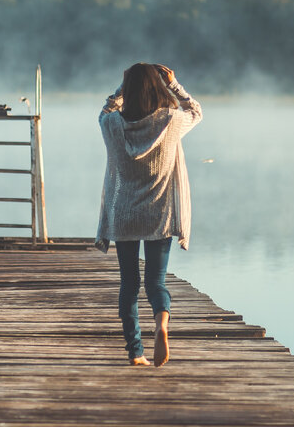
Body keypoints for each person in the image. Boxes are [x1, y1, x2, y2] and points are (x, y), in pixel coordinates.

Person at [95, 62, 203, 367]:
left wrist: (121, 89)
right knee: (156, 282)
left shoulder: (113, 125)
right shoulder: (170, 121)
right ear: (158, 89)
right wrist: (174, 84)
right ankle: (161, 326)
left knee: (128, 284)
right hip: (160, 214)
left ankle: (136, 351)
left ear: (128, 91)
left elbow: (103, 112)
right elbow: (195, 110)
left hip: (124, 215)